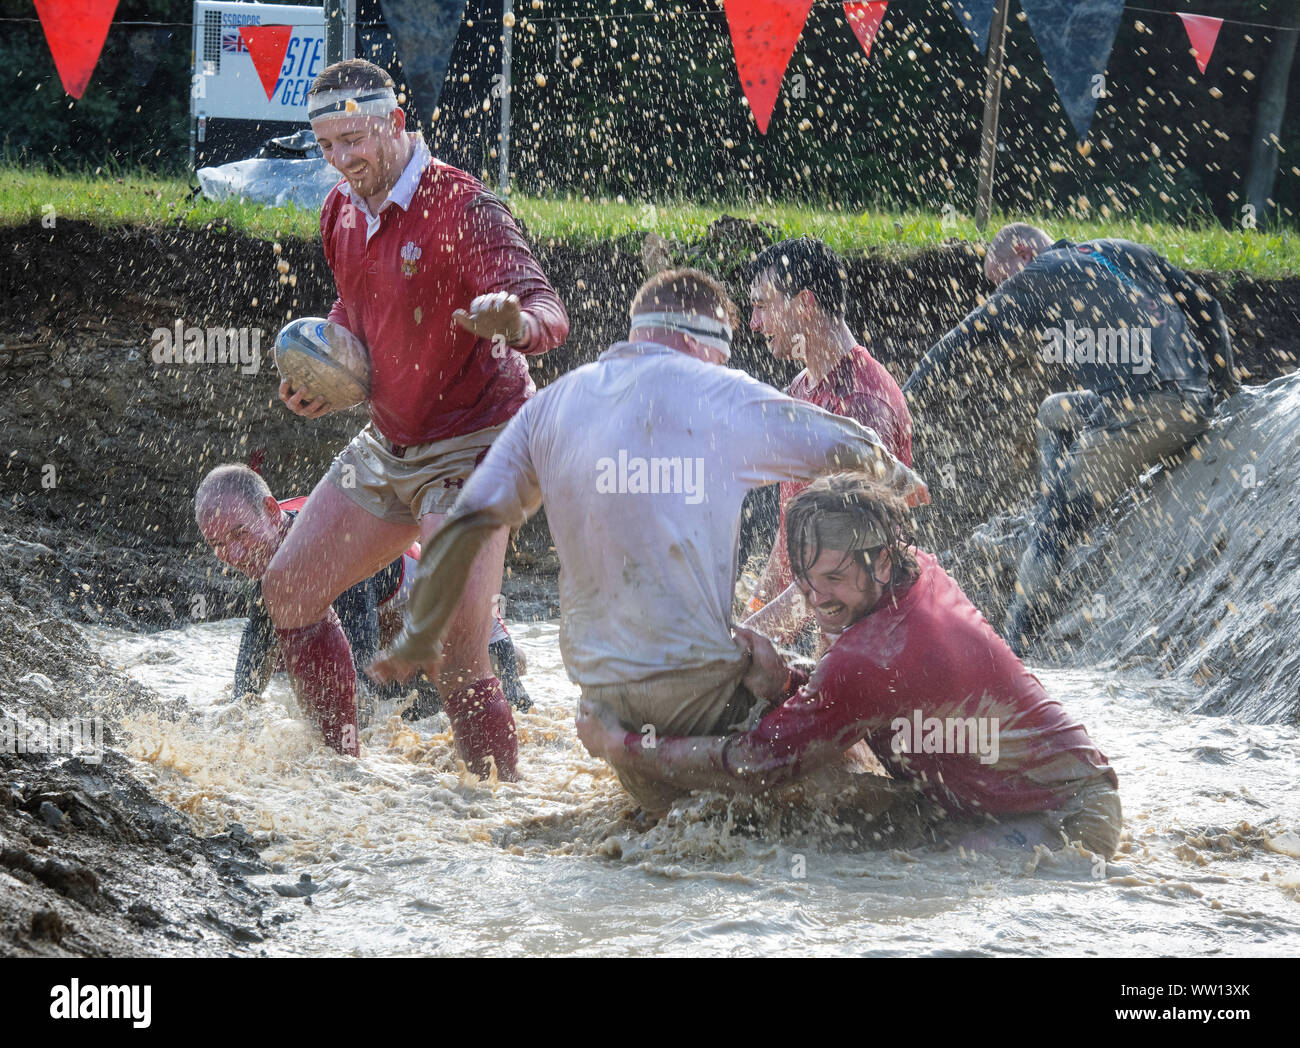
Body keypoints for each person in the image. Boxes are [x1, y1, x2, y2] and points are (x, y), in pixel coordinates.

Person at [369, 268, 927, 812]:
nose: (724, 365)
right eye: (723, 353)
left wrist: (419, 634)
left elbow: (467, 523)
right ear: (701, 341)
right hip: (701, 698)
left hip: (602, 704)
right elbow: (842, 442)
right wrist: (900, 479)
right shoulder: (722, 395)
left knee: (672, 826)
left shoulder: (551, 408)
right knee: (849, 774)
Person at [262, 59, 568, 770]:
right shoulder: (339, 209)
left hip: (478, 446)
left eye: (354, 141)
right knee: (290, 591)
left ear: (395, 124)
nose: (341, 161)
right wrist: (326, 372)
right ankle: (343, 773)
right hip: (390, 440)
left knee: (454, 659)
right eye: (327, 147)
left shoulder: (464, 208)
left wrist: (514, 321)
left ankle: (501, 818)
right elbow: (354, 308)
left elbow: (551, 313)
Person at [576, 473, 1123, 858]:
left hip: (1067, 821)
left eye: (835, 579)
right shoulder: (913, 573)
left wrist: (622, 746)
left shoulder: (873, 655)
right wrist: (782, 681)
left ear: (882, 560)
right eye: (807, 578)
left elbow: (756, 765)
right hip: (1023, 794)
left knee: (919, 870)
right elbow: (861, 700)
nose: (817, 599)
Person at [902, 223, 1238, 654]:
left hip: (1145, 411)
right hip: (1190, 394)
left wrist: (904, 399)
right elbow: (1206, 304)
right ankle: (1047, 508)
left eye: (997, 278)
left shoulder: (1037, 274)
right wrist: (1225, 390)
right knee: (1053, 411)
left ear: (1022, 252)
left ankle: (1014, 650)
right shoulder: (1119, 248)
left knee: (1054, 527)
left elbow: (957, 342)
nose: (1002, 288)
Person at [193, 464, 532, 730]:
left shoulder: (329, 544)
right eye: (218, 545)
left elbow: (359, 690)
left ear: (270, 511)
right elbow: (256, 638)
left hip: (451, 601)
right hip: (392, 612)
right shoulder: (268, 543)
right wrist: (237, 712)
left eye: (239, 534)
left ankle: (508, 656)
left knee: (499, 706)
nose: (233, 554)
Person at [744, 237, 913, 645]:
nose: (754, 323)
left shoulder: (860, 404)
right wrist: (751, 614)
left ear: (804, 303)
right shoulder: (802, 390)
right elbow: (789, 536)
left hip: (862, 641)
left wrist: (748, 644)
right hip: (815, 625)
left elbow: (848, 574)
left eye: (763, 305)